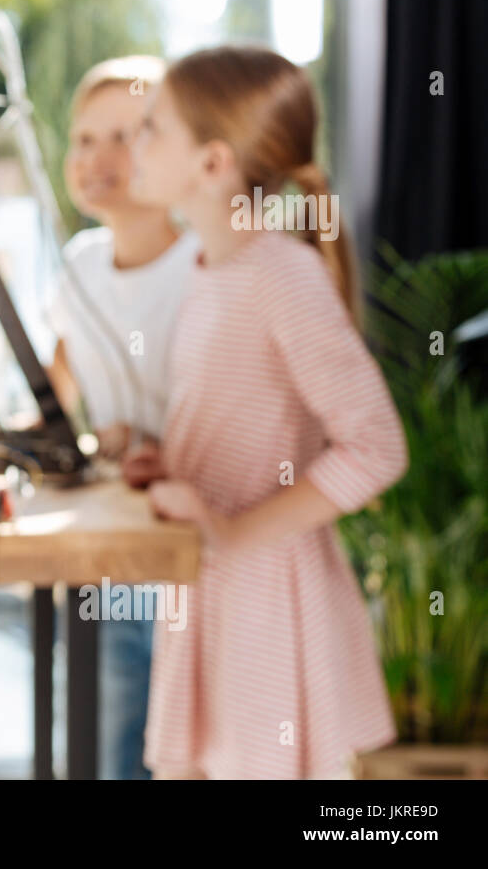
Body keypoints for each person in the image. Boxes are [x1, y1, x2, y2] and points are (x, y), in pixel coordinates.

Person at [123, 44, 408, 779]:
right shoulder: (208, 266)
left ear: (214, 164)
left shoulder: (283, 275)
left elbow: (378, 446)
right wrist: (175, 457)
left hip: (266, 604)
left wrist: (230, 530)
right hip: (210, 587)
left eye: (152, 127)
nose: (135, 143)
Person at [43, 56, 201, 779]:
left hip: (198, 549)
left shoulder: (209, 263)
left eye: (122, 136)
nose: (94, 158)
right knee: (112, 742)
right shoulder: (77, 265)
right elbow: (60, 384)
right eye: (82, 139)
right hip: (112, 550)